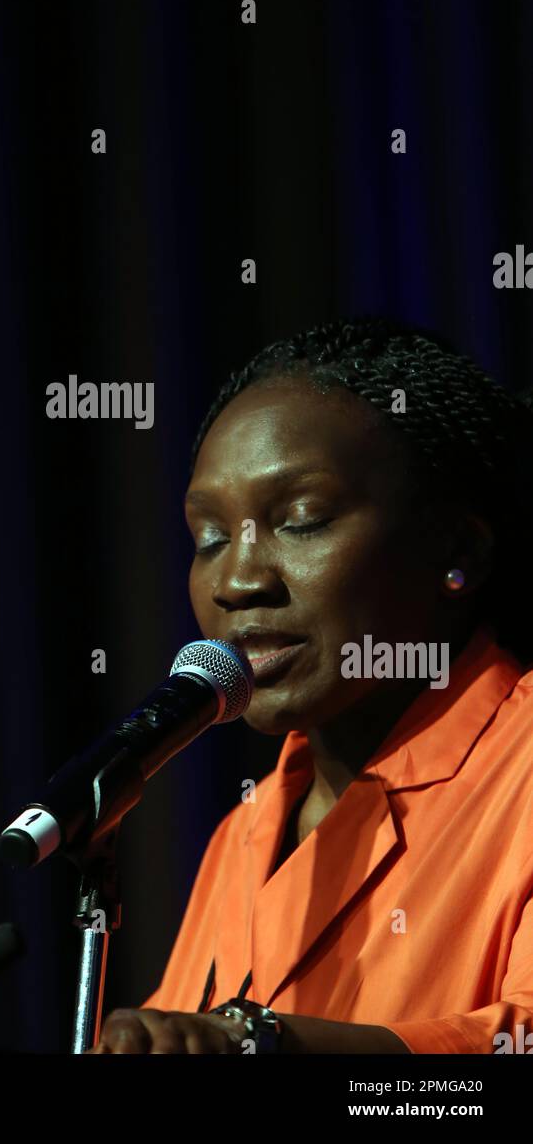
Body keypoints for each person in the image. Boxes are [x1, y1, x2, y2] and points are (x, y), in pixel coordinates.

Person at [87, 316, 533, 1055]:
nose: (238, 581)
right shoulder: (246, 834)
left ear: (457, 552)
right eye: (210, 538)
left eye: (300, 520)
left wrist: (261, 1045)